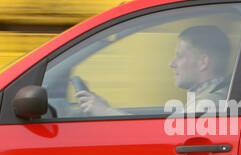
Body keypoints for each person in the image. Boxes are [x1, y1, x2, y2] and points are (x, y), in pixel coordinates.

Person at [76, 24, 231, 116]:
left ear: (203, 62)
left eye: (179, 56)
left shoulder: (209, 104)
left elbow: (162, 138)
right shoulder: (212, 96)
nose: (172, 63)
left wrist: (105, 111)